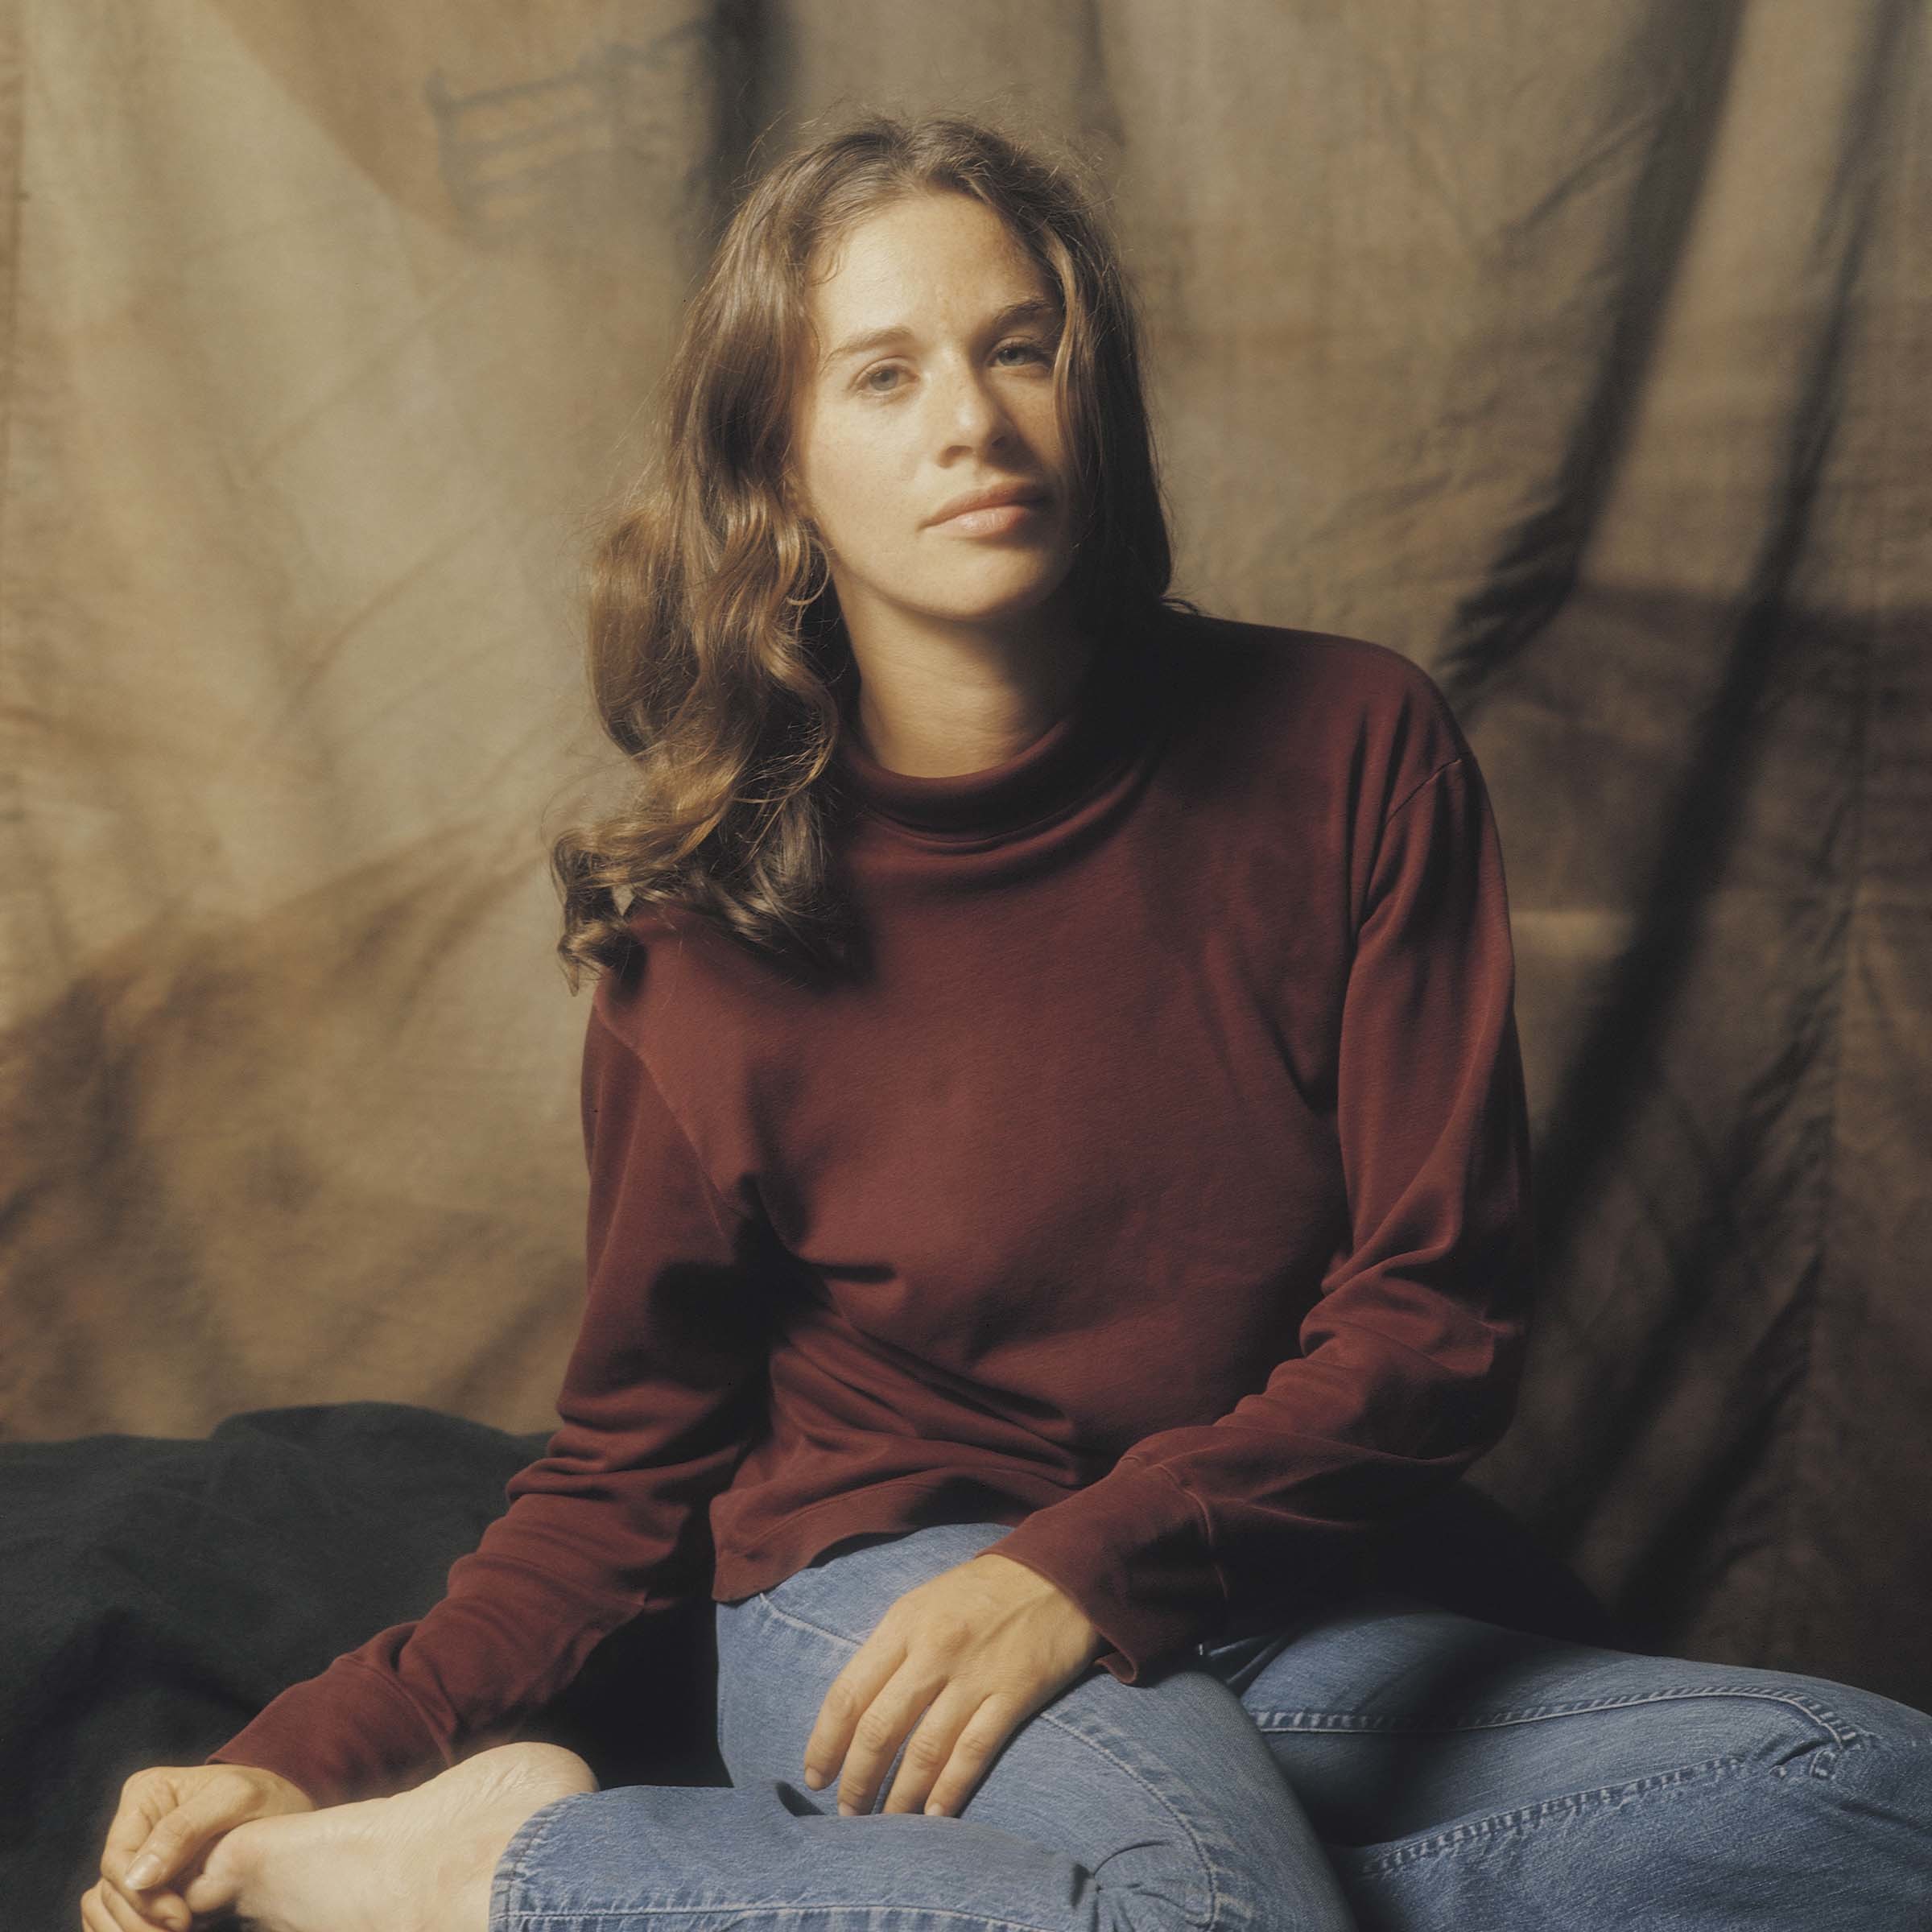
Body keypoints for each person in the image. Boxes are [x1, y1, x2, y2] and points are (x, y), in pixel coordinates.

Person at [82, 109, 1932, 1932]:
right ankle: (503, 1874)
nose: (972, 421)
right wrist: (314, 1751)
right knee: (1209, 1907)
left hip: (1249, 1584)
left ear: (1086, 396)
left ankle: (832, 1890)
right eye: (881, 377)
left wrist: (1090, 1568)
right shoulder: (701, 948)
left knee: (1872, 1805)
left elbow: (1439, 1315)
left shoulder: (1351, 749)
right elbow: (625, 1473)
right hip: (874, 1601)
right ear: (781, 475)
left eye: (1016, 350)